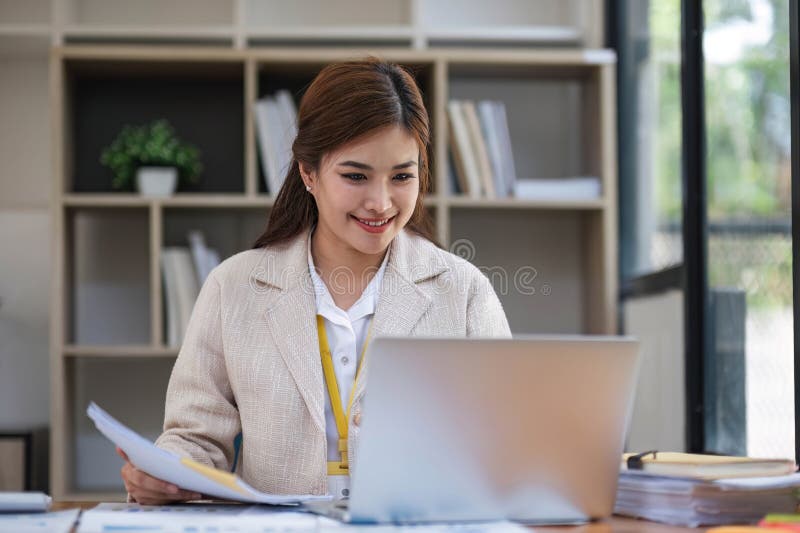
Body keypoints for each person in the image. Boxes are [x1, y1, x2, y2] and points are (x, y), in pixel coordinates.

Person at [118, 57, 511, 505]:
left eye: (402, 176)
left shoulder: (464, 291)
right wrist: (165, 475)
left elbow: (504, 441)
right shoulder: (235, 286)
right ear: (309, 173)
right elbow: (195, 440)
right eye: (355, 176)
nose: (380, 203)